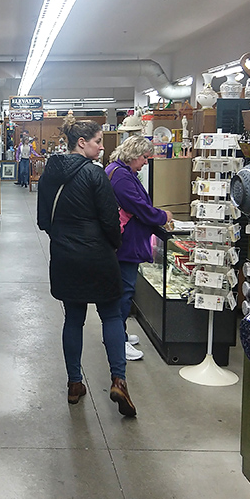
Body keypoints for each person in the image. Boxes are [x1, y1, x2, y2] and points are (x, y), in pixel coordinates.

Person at [37, 120, 136, 416]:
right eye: (98, 141)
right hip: (98, 256)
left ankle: (74, 384)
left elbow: (43, 221)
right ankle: (119, 380)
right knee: (111, 316)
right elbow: (110, 221)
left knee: (73, 320)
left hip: (66, 257)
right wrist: (114, 244)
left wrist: (65, 237)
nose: (102, 147)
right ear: (81, 142)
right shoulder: (95, 175)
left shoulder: (48, 174)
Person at [105, 136, 173, 360]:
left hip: (126, 241)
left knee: (124, 290)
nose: (146, 162)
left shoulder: (120, 171)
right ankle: (118, 340)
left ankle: (119, 333)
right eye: (144, 157)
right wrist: (162, 216)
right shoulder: (122, 176)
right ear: (133, 155)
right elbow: (138, 206)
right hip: (126, 244)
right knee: (124, 291)